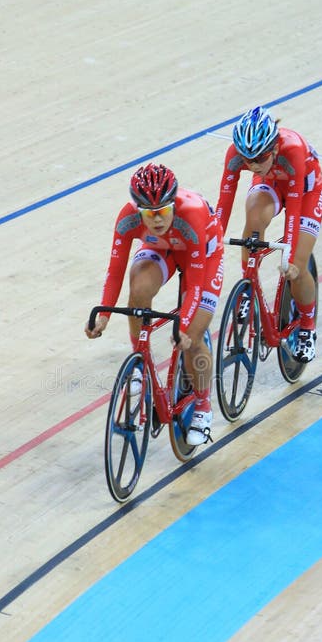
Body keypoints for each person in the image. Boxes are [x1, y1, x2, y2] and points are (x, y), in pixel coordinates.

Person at [85, 163, 224, 446]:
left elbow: (196, 283)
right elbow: (115, 270)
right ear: (138, 210)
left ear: (174, 204)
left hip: (203, 258)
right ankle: (140, 362)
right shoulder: (127, 219)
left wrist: (184, 327)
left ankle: (203, 406)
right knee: (138, 290)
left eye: (163, 211)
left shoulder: (192, 215)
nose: (157, 219)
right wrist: (104, 314)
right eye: (149, 213)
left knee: (193, 338)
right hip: (161, 249)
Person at [215, 105, 322, 362]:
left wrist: (289, 256)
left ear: (274, 148)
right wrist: (214, 242)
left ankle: (307, 326)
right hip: (271, 183)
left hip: (306, 191)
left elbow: (294, 207)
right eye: (247, 159)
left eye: (260, 158)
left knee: (297, 265)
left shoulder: (293, 149)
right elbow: (224, 201)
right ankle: (248, 284)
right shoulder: (237, 156)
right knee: (254, 217)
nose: (253, 165)